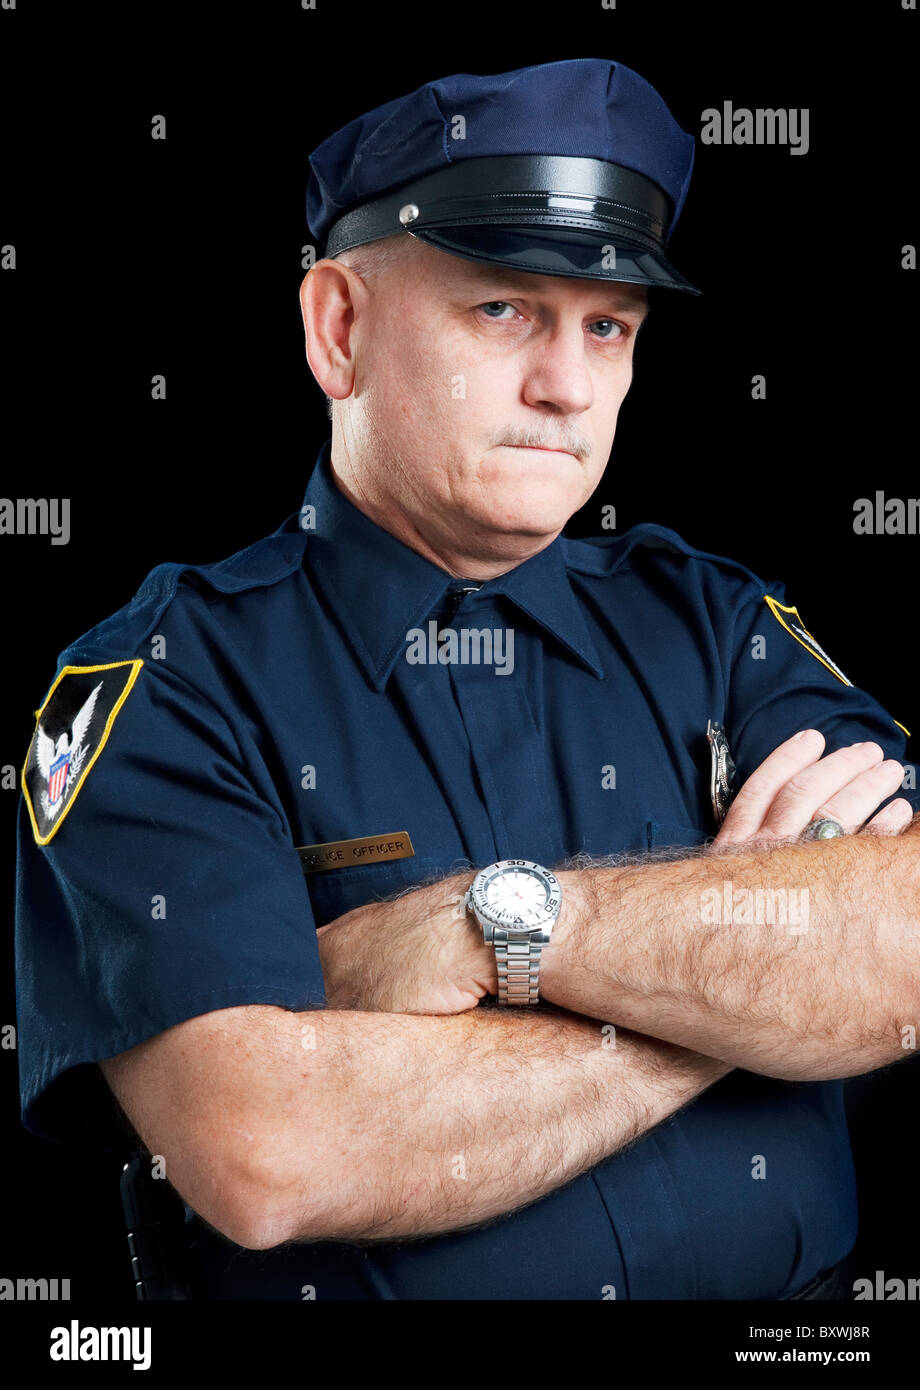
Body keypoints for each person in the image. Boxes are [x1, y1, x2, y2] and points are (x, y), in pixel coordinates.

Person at [14, 58, 920, 1301]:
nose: (567, 384)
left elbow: (906, 946)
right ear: (338, 327)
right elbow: (266, 1152)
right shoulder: (163, 684)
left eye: (606, 326)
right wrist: (735, 970)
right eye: (503, 310)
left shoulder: (713, 623)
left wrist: (498, 925)